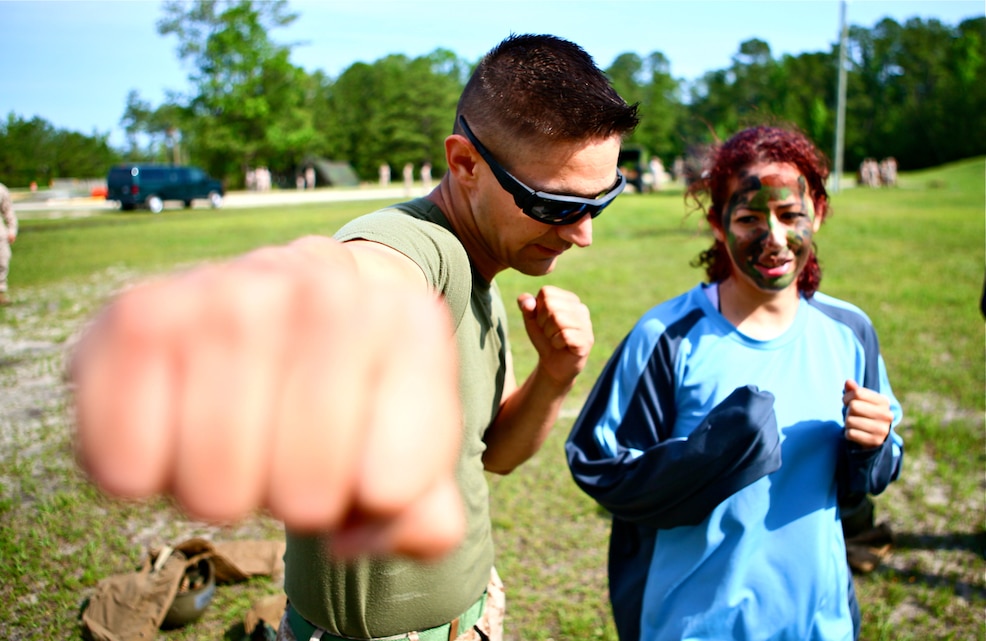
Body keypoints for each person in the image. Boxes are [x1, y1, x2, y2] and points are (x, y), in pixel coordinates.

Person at [71, 34, 639, 641]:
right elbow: (363, 273)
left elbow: (490, 455)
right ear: (465, 164)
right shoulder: (425, 247)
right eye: (554, 204)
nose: (583, 235)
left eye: (600, 202)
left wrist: (553, 373)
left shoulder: (490, 268)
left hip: (473, 614)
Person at [566, 125, 903, 641]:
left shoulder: (850, 332)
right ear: (718, 226)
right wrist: (707, 457)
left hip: (818, 623)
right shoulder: (668, 337)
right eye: (749, 218)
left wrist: (872, 446)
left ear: (820, 213)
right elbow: (597, 464)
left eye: (791, 215)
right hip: (696, 625)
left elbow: (873, 474)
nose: (774, 238)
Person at [0, 182, 17, 305]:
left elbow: (8, 211)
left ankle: (0, 295)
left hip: (0, 236)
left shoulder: (1, 190)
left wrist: (12, 230)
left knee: (2, 263)